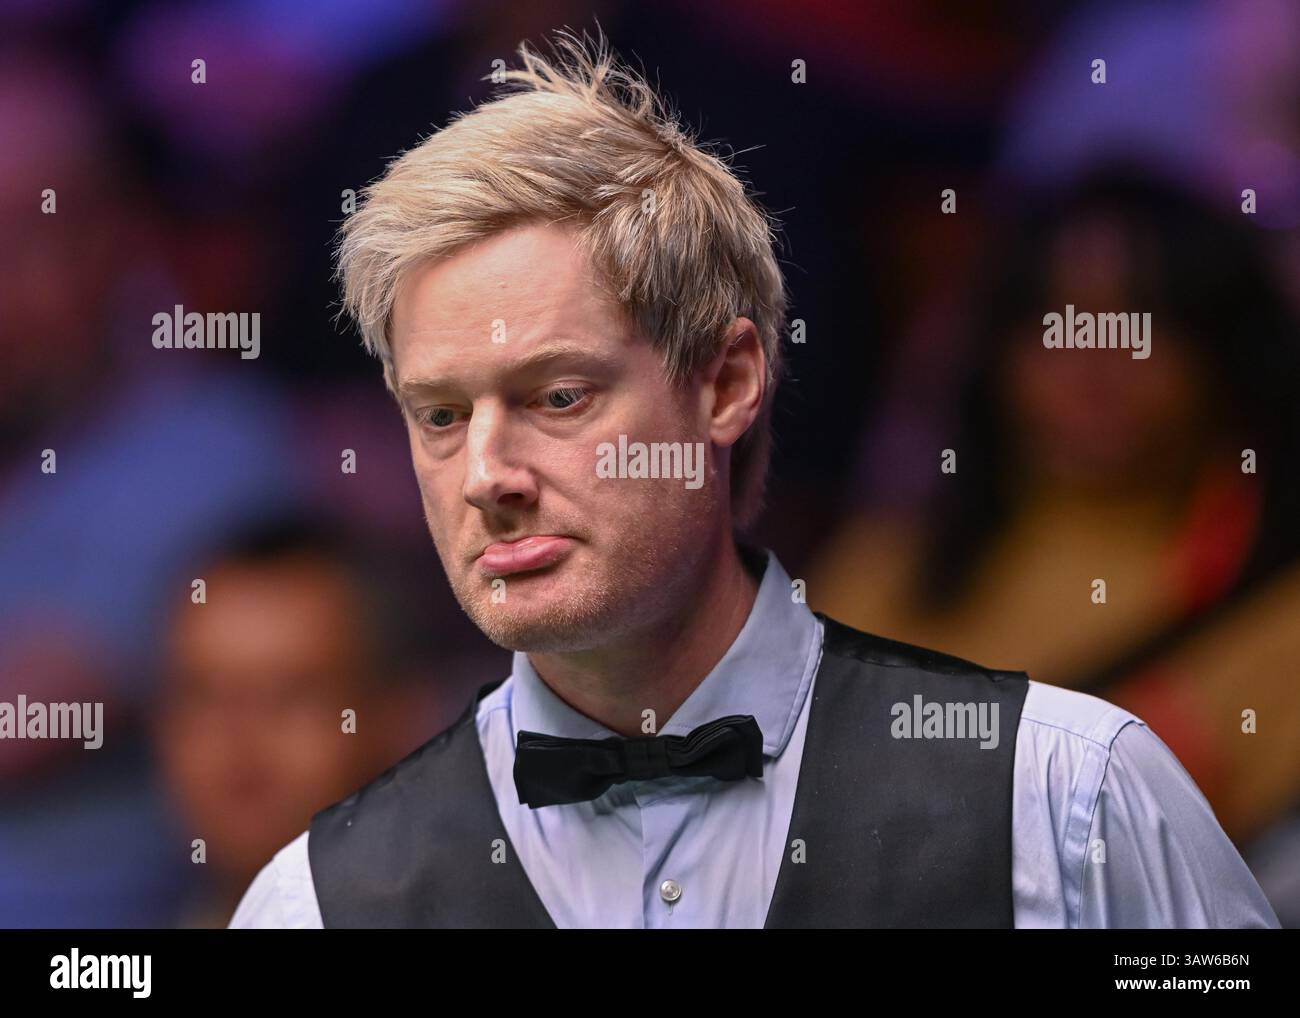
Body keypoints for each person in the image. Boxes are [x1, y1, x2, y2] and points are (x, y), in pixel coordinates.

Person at [228, 28, 1278, 928]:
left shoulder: (1069, 795)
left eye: (559, 397)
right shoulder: (315, 905)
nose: (487, 475)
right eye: (441, 415)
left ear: (726, 384)